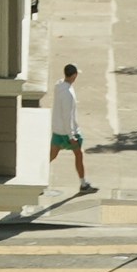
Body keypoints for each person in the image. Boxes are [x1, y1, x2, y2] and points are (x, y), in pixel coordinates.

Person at [51, 63, 89, 195]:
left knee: (51, 156)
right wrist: (71, 136)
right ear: (74, 75)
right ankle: (83, 184)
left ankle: (35, 179)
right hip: (67, 132)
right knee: (79, 154)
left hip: (57, 129)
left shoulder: (58, 85)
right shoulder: (68, 94)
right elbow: (67, 116)